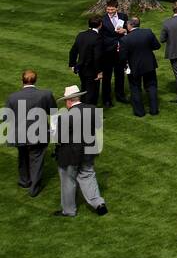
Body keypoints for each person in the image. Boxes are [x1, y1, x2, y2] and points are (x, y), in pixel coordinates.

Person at [52, 84, 107, 217]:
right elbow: (98, 126)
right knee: (88, 175)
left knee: (68, 181)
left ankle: (69, 210)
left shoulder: (64, 117)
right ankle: (98, 203)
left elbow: (58, 138)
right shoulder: (93, 109)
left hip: (69, 154)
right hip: (88, 151)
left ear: (69, 101)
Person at [6, 69, 54, 197]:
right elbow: (53, 112)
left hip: (19, 134)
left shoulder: (12, 97)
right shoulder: (46, 94)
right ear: (35, 80)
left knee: (22, 156)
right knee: (36, 159)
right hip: (39, 133)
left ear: (22, 80)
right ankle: (34, 188)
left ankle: (24, 181)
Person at [121, 16, 162, 115]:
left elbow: (122, 57)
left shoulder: (125, 39)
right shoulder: (148, 32)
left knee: (135, 88)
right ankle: (154, 110)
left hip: (134, 67)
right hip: (149, 65)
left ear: (130, 25)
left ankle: (140, 112)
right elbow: (157, 46)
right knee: (151, 86)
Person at [68, 17, 102, 104]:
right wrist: (99, 71)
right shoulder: (97, 37)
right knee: (92, 92)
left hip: (81, 68)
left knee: (84, 89)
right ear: (100, 25)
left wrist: (72, 64)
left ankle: (82, 109)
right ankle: (90, 114)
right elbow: (97, 57)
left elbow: (73, 51)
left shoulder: (81, 35)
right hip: (92, 69)